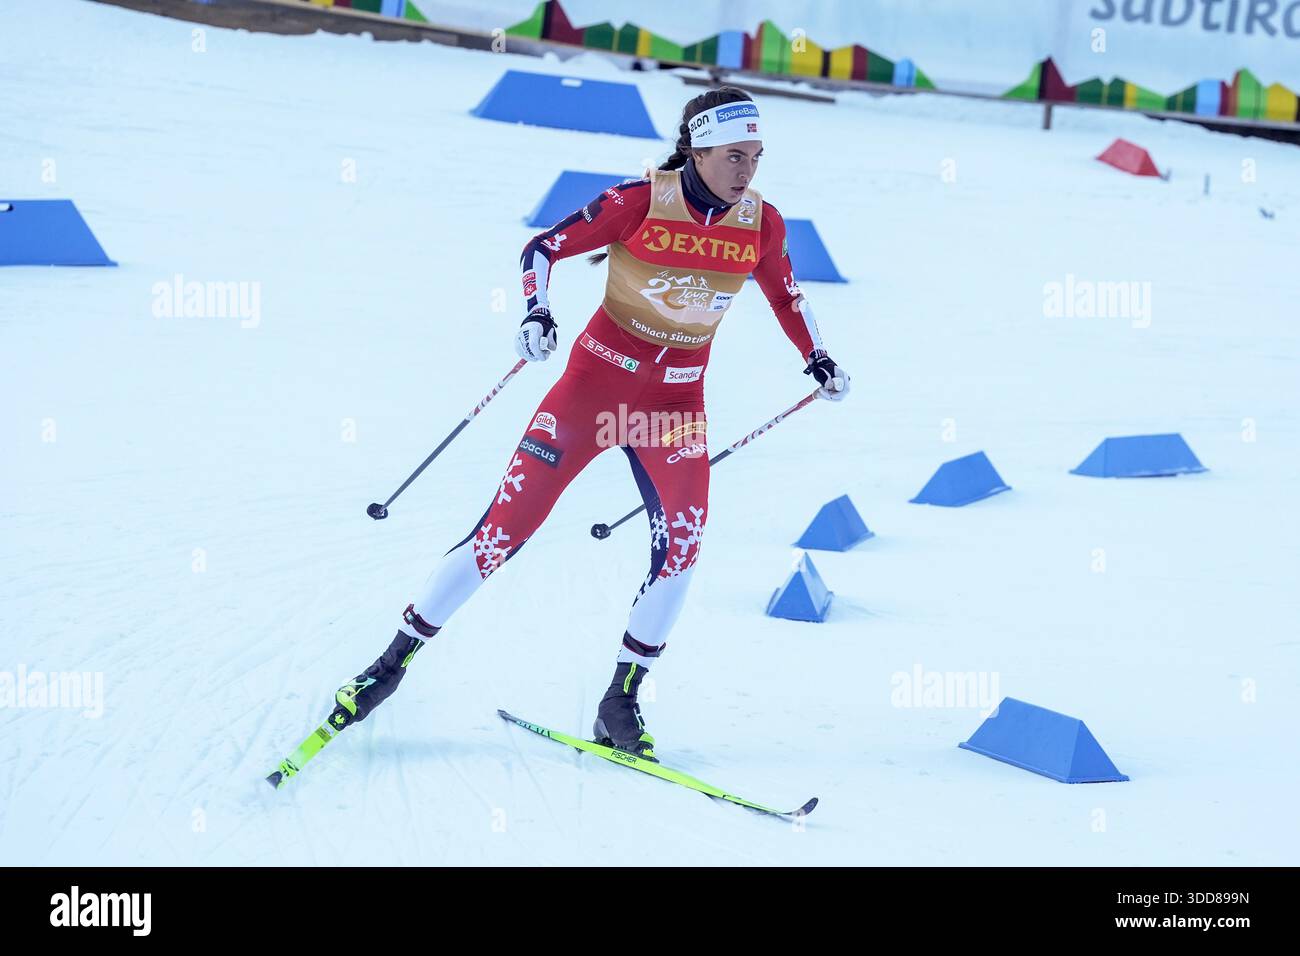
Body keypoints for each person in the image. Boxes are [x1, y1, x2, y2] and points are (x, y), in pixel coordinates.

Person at [325, 86, 850, 761]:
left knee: (684, 547)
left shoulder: (762, 223)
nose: (745, 170)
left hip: (674, 410)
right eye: (731, 155)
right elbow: (542, 249)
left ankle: (619, 701)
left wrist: (819, 357)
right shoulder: (638, 202)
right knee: (501, 534)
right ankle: (390, 664)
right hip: (588, 396)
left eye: (755, 156)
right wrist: (535, 312)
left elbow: (787, 293)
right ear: (695, 147)